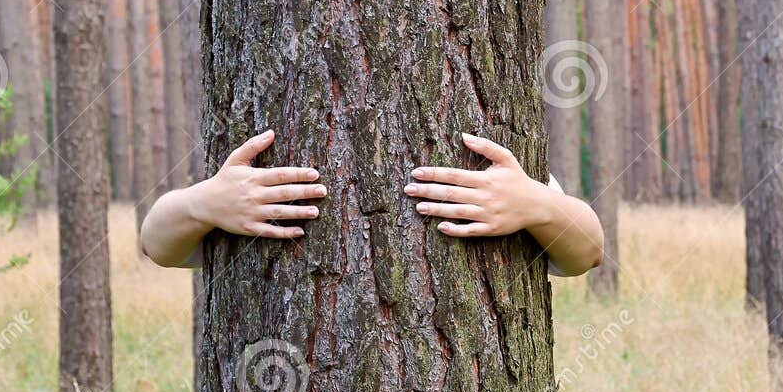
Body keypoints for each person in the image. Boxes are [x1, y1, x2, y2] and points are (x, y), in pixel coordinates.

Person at [139, 129, 604, 277]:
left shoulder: (512, 187)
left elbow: (587, 251)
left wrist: (540, 204)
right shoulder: (236, 189)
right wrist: (202, 202)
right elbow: (157, 242)